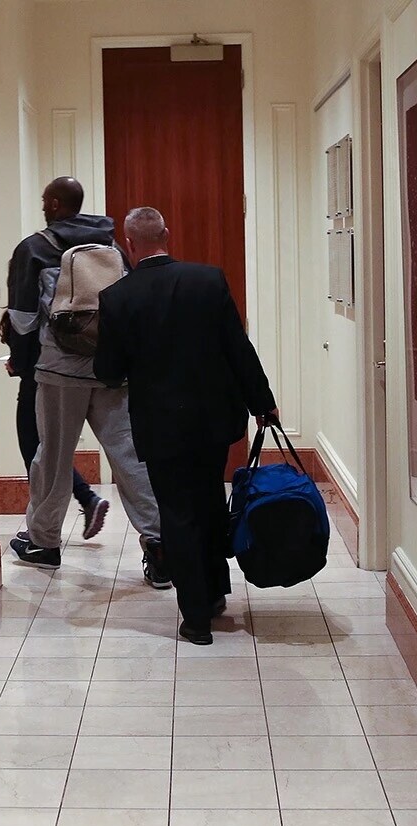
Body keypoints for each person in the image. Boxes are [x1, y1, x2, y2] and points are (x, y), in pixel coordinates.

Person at [95, 207, 279, 644]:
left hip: (159, 425)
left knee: (176, 512)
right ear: (167, 235)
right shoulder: (208, 280)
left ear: (129, 244)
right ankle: (215, 593)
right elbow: (238, 348)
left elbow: (107, 371)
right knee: (211, 500)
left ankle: (196, 617)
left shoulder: (118, 298)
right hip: (213, 419)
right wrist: (263, 402)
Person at [4, 178, 167, 586]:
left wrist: (23, 360)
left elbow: (24, 320)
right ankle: (160, 543)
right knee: (130, 458)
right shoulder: (110, 246)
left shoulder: (34, 249)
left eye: (45, 200)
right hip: (113, 370)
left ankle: (43, 542)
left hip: (59, 372)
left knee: (53, 458)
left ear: (55, 204)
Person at [0, 311, 109, 540]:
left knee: (38, 455)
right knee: (49, 453)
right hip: (72, 375)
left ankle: (42, 534)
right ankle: (85, 500)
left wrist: (15, 365)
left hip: (35, 384)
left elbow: (23, 352)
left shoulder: (26, 302)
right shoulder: (61, 305)